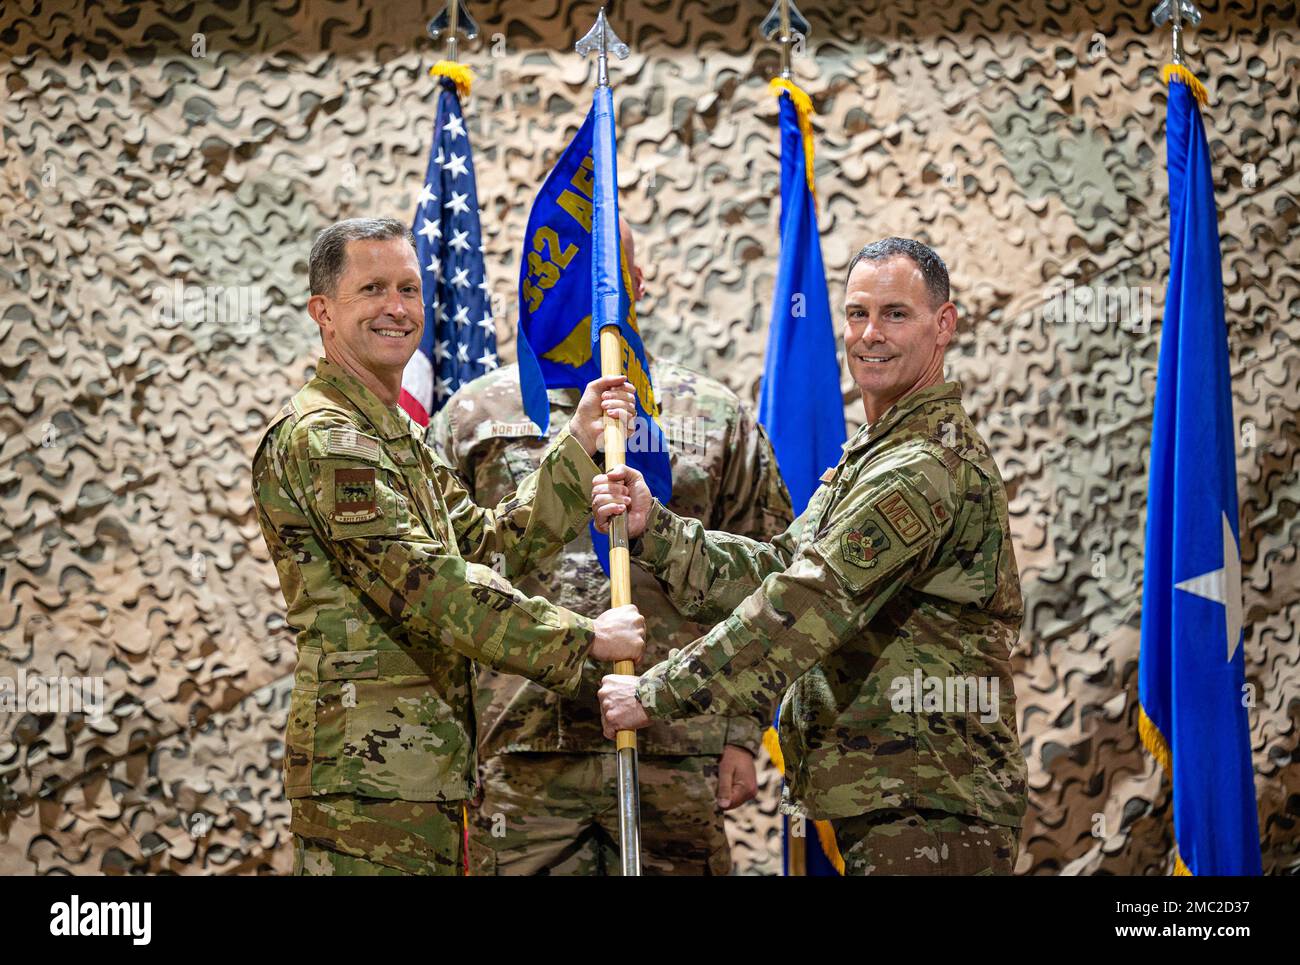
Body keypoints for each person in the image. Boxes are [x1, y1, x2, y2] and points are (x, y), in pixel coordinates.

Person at [595, 237, 1028, 875]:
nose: (870, 334)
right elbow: (780, 569)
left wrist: (658, 693)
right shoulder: (879, 451)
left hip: (931, 807)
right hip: (894, 797)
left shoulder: (925, 466)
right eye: (857, 314)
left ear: (944, 325)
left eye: (895, 314)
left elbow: (808, 601)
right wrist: (655, 530)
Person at [251, 217, 645, 876]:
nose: (397, 307)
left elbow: (485, 547)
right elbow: (431, 587)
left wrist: (577, 448)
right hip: (368, 782)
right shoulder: (328, 439)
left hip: (425, 767)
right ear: (323, 311)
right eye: (372, 289)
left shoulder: (394, 435)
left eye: (408, 289)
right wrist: (585, 639)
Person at [427, 217, 794, 875]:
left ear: (638, 283)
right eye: (570, 270)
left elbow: (770, 582)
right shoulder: (473, 417)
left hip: (674, 745)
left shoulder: (714, 417)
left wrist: (743, 732)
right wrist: (454, 741)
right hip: (520, 750)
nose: (589, 290)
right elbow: (440, 582)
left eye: (605, 272)